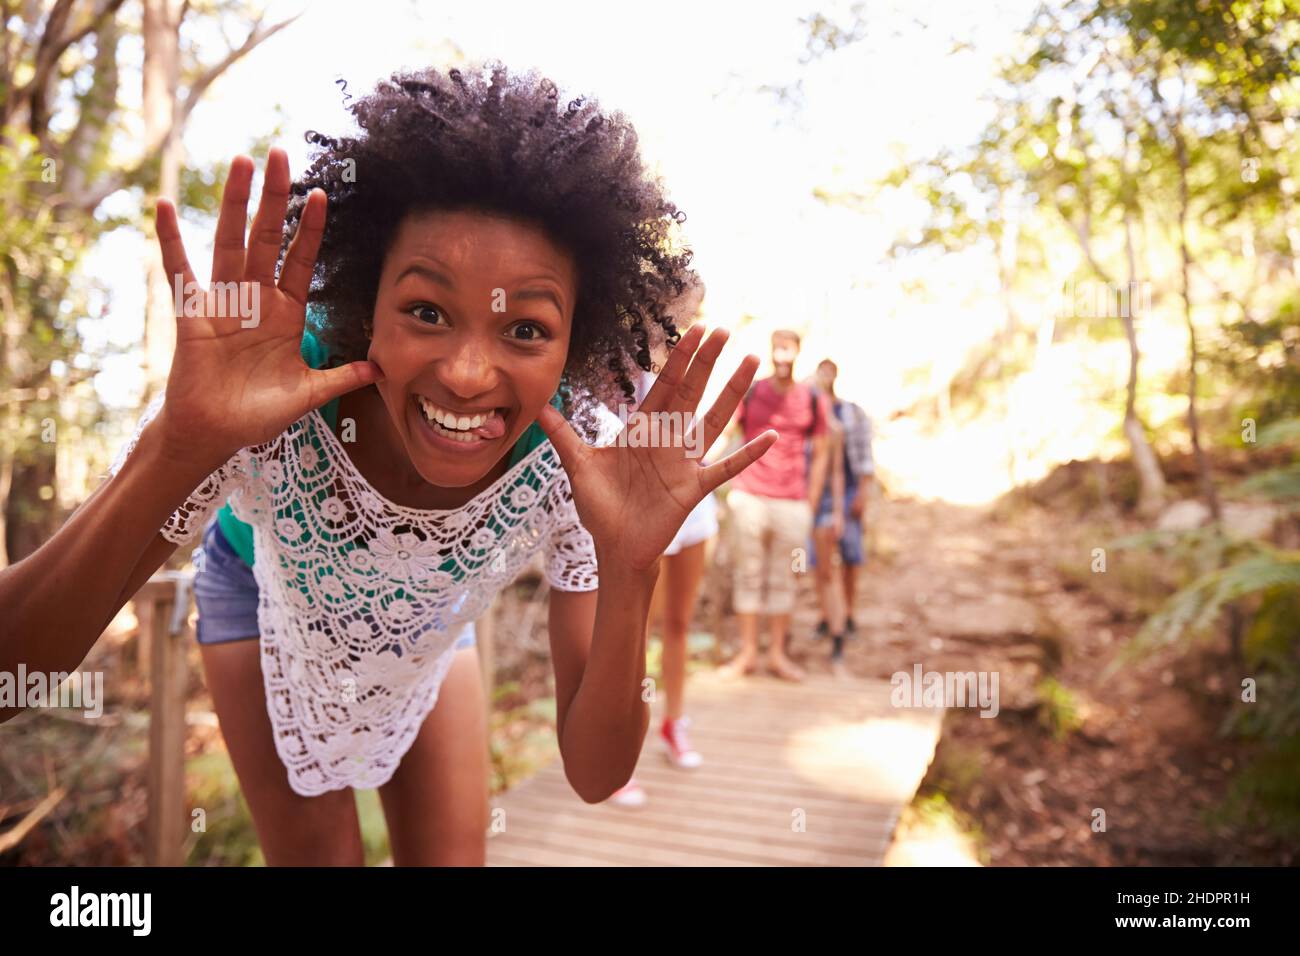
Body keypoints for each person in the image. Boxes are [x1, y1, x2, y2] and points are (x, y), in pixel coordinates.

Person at [0, 64, 778, 865]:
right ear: (366, 306)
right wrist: (182, 445)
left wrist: (633, 568)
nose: (469, 375)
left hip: (432, 621)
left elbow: (593, 773)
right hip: (263, 585)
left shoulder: (578, 467)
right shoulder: (271, 401)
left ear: (575, 347)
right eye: (427, 311)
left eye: (526, 330)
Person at [608, 279, 713, 808]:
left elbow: (697, 433)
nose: (685, 316)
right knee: (633, 631)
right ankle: (619, 752)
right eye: (678, 307)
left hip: (693, 503)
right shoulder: (617, 366)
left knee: (678, 623)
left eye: (693, 308)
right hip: (640, 508)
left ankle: (674, 722)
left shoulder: (696, 360)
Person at [719, 329, 831, 683]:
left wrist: (810, 501)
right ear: (771, 352)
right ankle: (748, 653)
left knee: (785, 577)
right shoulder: (753, 393)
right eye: (777, 349)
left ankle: (777, 655)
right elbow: (725, 433)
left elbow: (824, 450)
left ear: (798, 352)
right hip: (750, 496)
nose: (782, 356)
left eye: (788, 350)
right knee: (748, 574)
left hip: (792, 503)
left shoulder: (811, 399)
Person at [807, 358, 873, 664]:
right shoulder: (807, 413)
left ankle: (846, 616)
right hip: (812, 497)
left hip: (843, 493)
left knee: (849, 554)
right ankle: (829, 618)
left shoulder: (850, 414)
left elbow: (858, 460)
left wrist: (861, 493)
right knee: (820, 563)